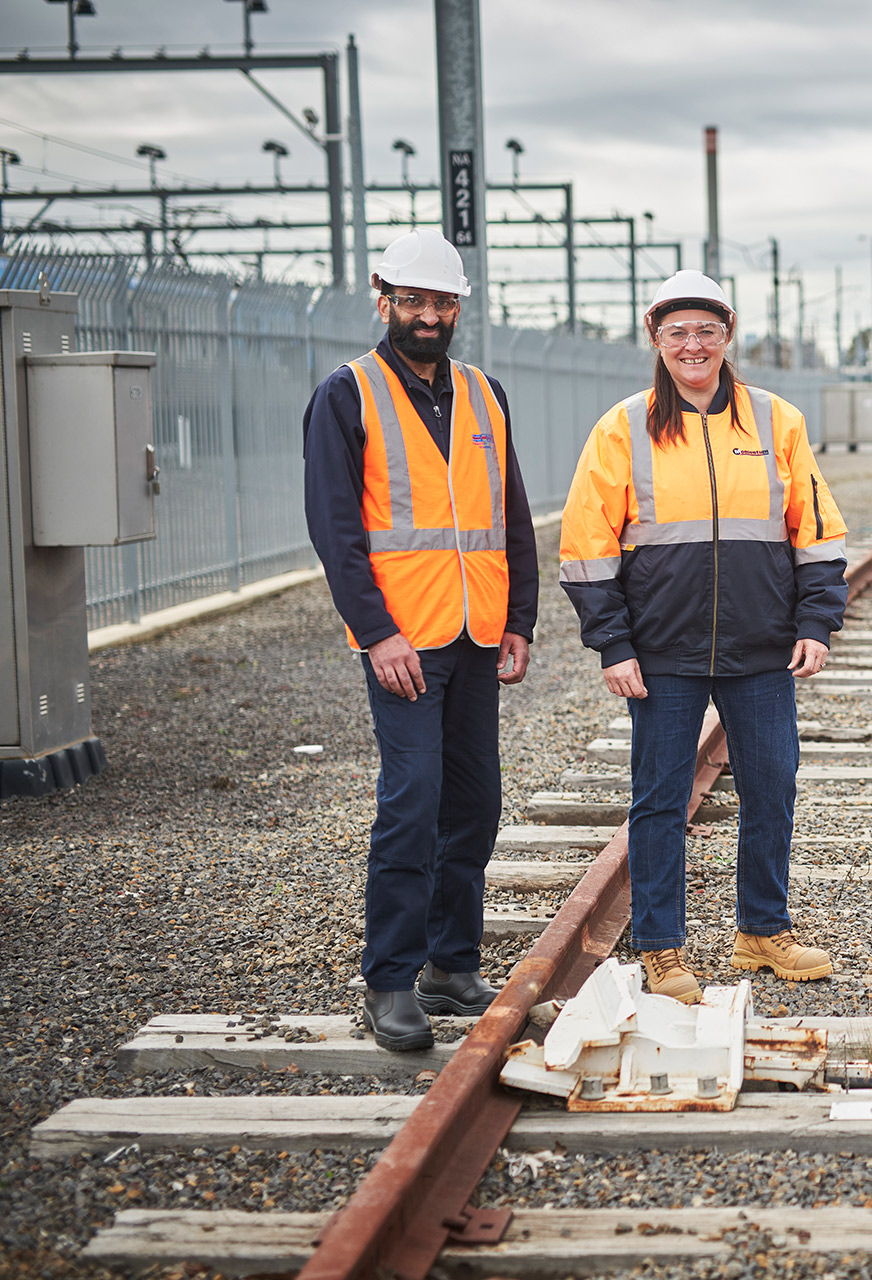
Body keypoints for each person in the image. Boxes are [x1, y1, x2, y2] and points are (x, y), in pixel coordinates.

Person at [559, 270, 849, 1005]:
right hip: (663, 650)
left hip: (760, 645)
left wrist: (815, 621)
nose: (693, 345)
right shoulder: (622, 427)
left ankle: (763, 929)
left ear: (727, 337)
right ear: (655, 338)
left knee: (773, 785)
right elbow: (587, 541)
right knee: (658, 800)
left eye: (706, 330)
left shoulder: (775, 420)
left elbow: (814, 528)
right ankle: (662, 947)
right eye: (677, 332)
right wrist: (613, 644)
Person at [302, 228, 537, 1051]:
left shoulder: (484, 393)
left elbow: (510, 516)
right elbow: (336, 530)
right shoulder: (348, 394)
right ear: (385, 300)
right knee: (412, 805)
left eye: (442, 302)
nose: (428, 315)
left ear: (457, 307)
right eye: (414, 300)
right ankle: (391, 979)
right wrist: (376, 633)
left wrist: (521, 619)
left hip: (476, 634)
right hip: (403, 641)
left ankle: (450, 963)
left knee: (473, 803)